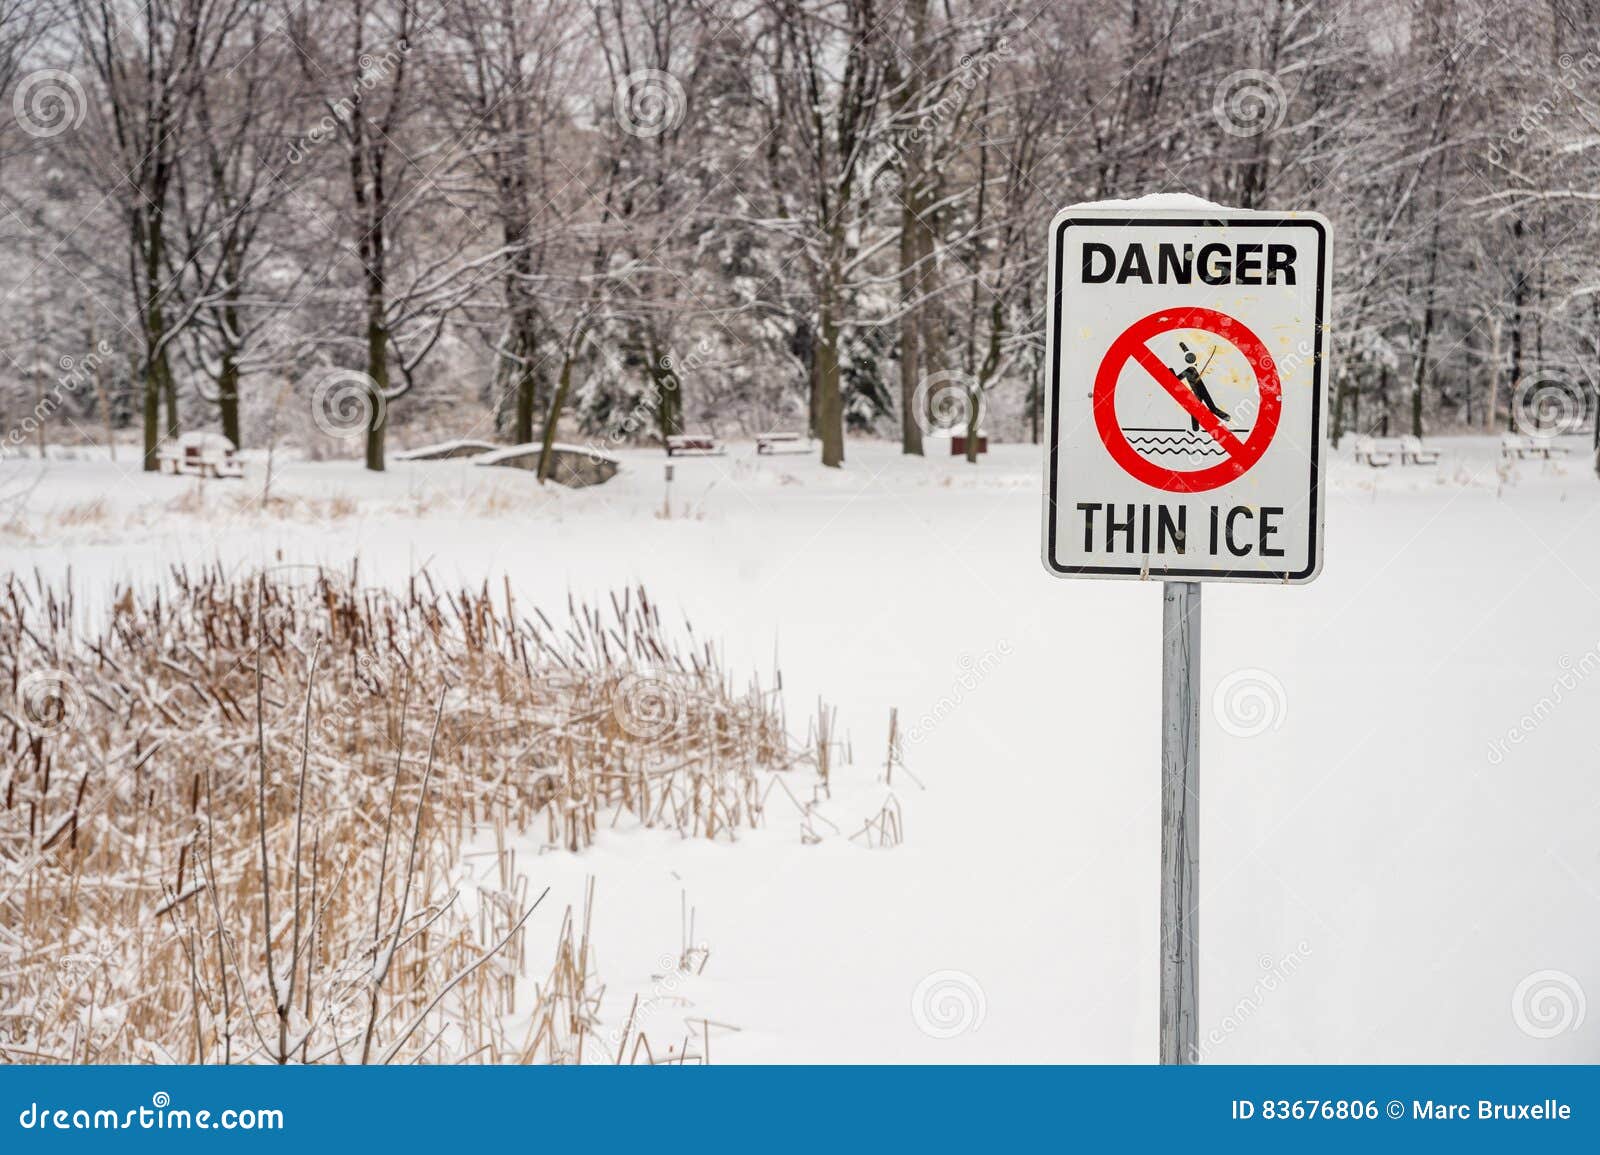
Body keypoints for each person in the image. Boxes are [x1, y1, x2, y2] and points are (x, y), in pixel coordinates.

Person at [1171, 342, 1230, 432]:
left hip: (1200, 389)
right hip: (1197, 390)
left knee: (1209, 407)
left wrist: (1183, 346)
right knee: (1201, 409)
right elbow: (1178, 379)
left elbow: (1187, 354)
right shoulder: (1188, 370)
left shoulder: (1191, 369)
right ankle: (1196, 427)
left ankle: (1225, 418)